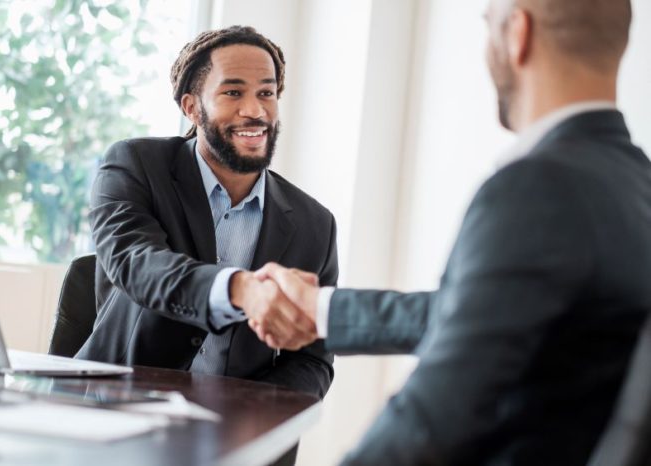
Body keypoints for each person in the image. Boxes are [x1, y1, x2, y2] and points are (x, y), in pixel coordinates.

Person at [250, 0, 651, 464]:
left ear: (517, 33)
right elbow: (489, 314)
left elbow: (431, 421)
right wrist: (322, 308)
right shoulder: (634, 183)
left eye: (489, 26)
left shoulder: (536, 187)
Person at [76, 26, 337, 405]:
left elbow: (314, 361)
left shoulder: (316, 225)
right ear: (192, 107)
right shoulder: (135, 166)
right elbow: (137, 263)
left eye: (266, 92)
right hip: (114, 410)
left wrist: (246, 412)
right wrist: (239, 289)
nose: (255, 110)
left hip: (229, 435)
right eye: (233, 92)